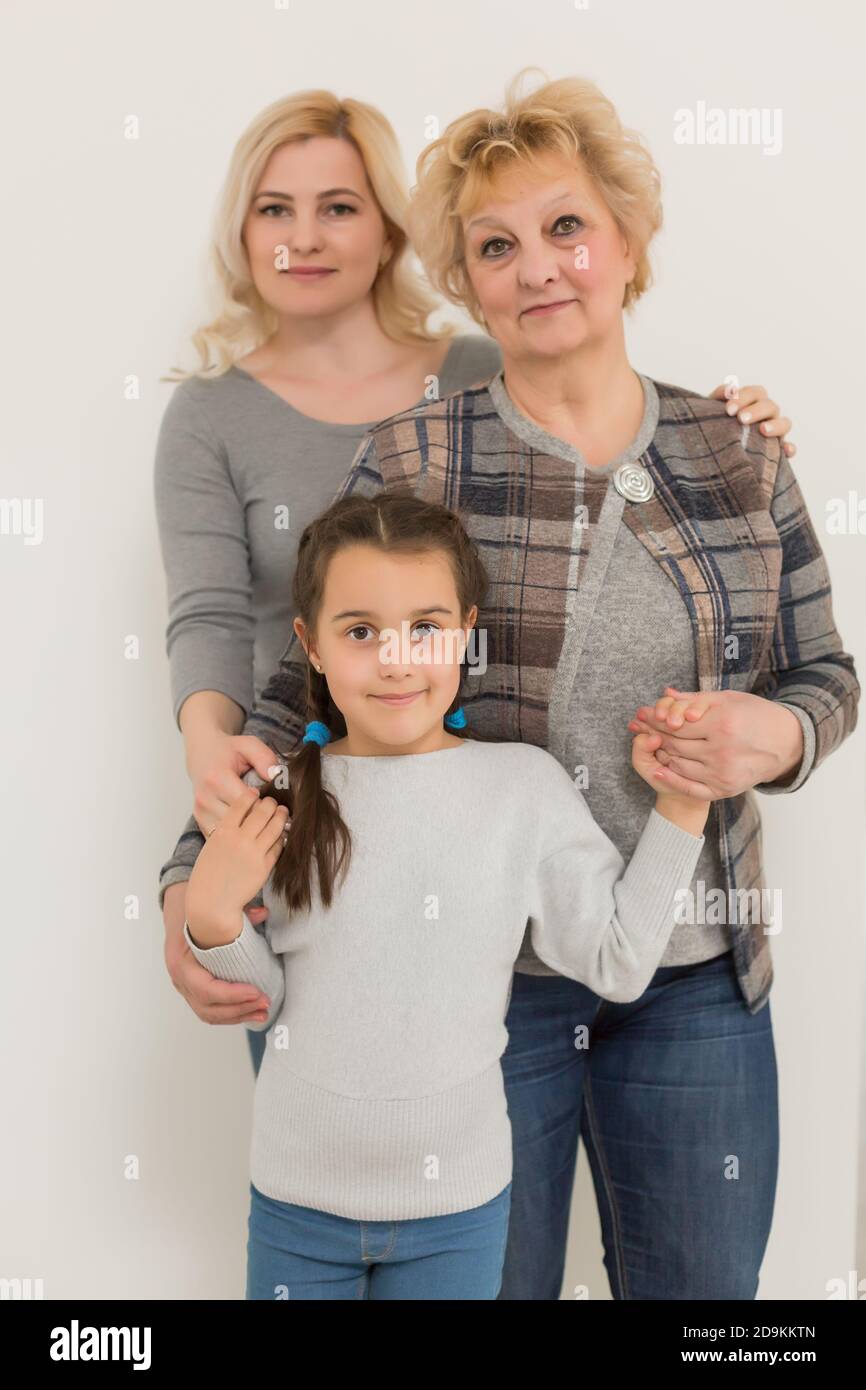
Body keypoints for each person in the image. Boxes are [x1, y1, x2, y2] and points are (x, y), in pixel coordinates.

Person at [157, 73, 831, 1300]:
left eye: (566, 227)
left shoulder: (735, 451)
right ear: (464, 284)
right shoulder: (416, 450)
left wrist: (773, 731)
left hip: (693, 983)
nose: (538, 267)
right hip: (482, 998)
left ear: (626, 244)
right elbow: (304, 676)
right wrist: (186, 877)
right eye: (494, 246)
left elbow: (825, 674)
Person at [182, 489, 709, 1300]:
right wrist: (212, 919)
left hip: (458, 1209)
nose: (395, 660)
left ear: (467, 631)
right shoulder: (282, 796)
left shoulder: (520, 792)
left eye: (425, 629)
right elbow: (265, 1003)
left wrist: (681, 808)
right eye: (361, 632)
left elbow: (618, 962)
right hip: (294, 1202)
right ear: (310, 646)